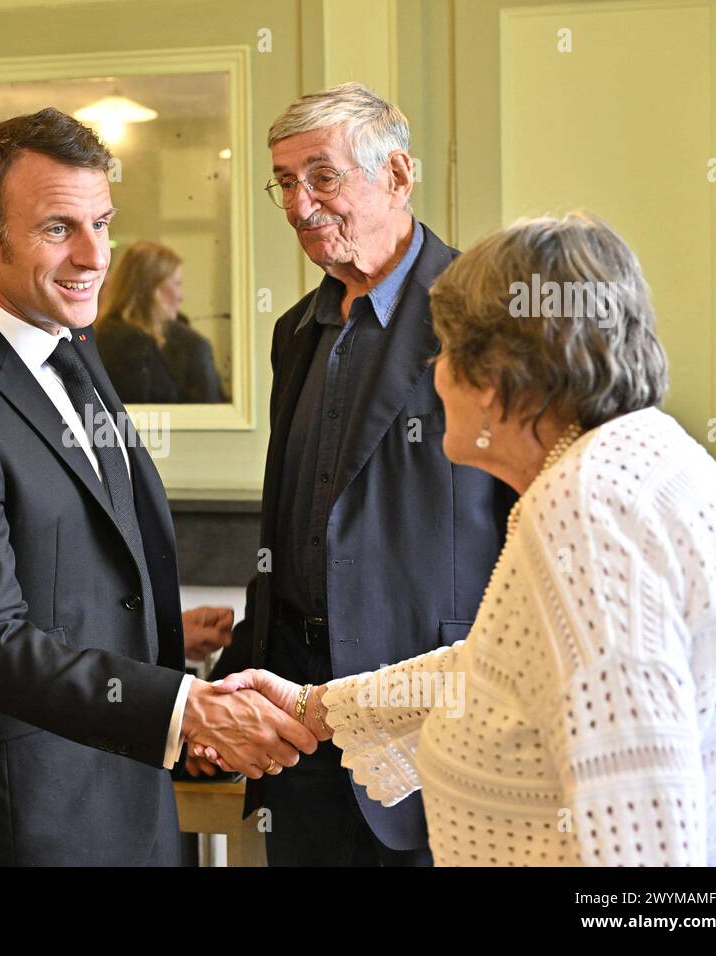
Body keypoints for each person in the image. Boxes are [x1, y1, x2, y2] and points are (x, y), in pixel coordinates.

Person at [200, 211, 716, 866]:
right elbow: (501, 667)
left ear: (500, 377)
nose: (434, 374)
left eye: (442, 350)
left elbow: (642, 859)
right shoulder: (625, 463)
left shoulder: (587, 513)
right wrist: (319, 705)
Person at [0, 108, 316, 867]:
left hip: (131, 784)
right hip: (29, 814)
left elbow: (68, 558)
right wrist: (184, 710)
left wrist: (165, 647)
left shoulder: (73, 343)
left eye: (102, 223)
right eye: (58, 229)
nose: (93, 256)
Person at [202, 83, 516, 862]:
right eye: (284, 181)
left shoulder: (491, 318)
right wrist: (234, 681)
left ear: (399, 176)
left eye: (323, 176)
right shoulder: (295, 333)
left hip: (436, 736)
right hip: (303, 737)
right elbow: (288, 532)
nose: (299, 205)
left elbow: (527, 534)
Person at [96, 241, 224, 403]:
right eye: (176, 283)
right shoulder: (130, 341)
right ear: (151, 287)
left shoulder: (111, 333)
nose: (181, 295)